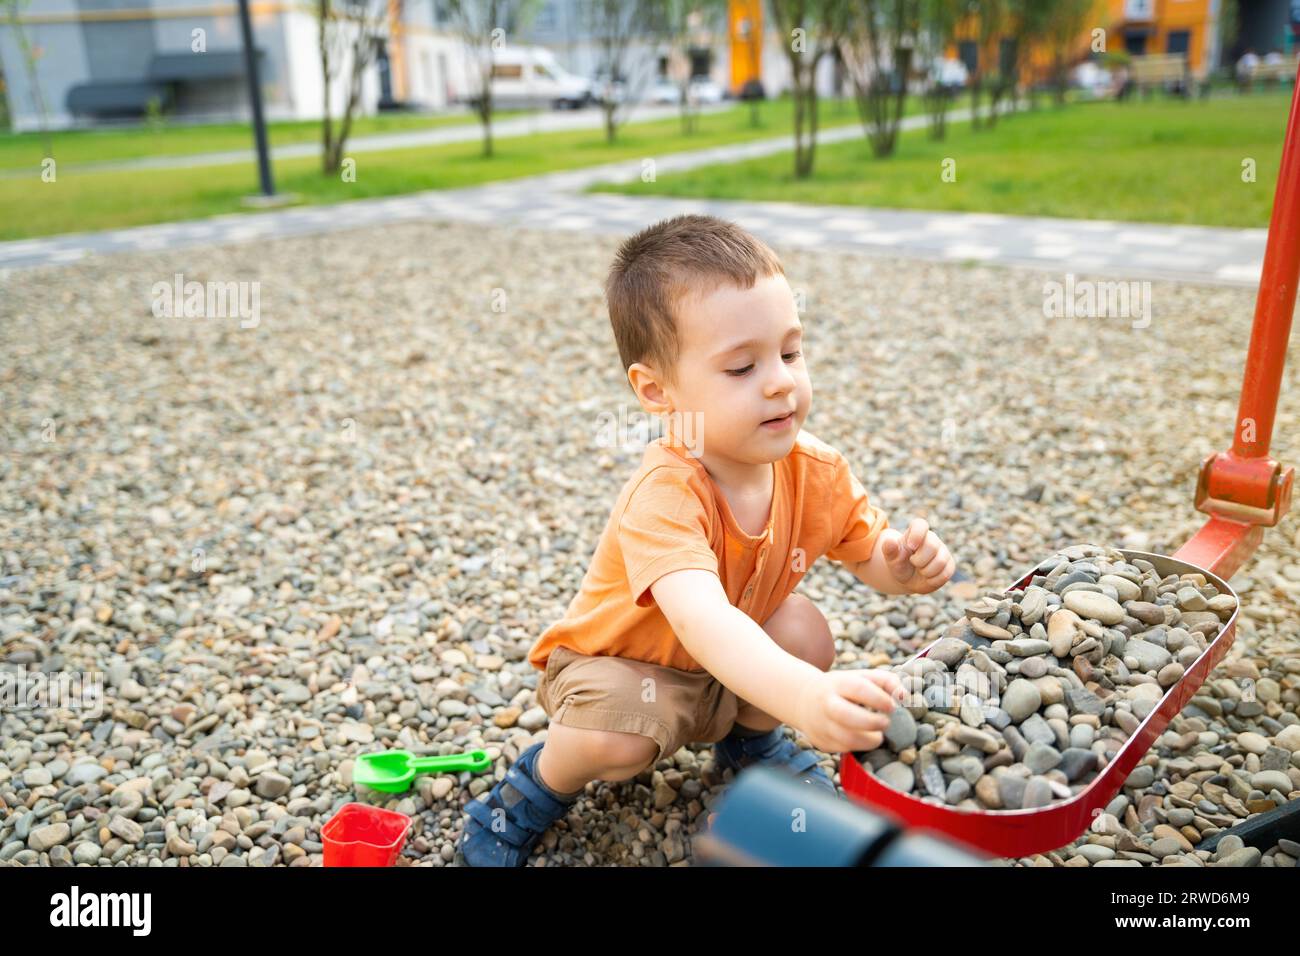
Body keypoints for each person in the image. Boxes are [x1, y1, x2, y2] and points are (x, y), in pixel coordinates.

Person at [458, 214, 956, 866]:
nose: (780, 380)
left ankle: (748, 744)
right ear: (658, 391)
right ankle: (532, 788)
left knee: (806, 631)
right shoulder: (665, 492)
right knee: (619, 742)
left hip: (726, 667)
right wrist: (804, 698)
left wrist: (902, 565)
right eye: (743, 366)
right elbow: (704, 622)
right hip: (624, 674)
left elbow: (871, 557)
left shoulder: (817, 469)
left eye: (790, 351)